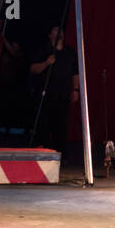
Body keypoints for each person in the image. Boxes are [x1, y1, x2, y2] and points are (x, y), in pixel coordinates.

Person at [28, 25, 79, 153]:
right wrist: (46, 63)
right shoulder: (44, 50)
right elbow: (33, 69)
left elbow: (75, 73)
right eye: (55, 30)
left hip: (63, 94)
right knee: (44, 124)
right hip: (46, 94)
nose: (59, 32)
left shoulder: (70, 52)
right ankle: (42, 152)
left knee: (61, 126)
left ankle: (60, 154)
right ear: (50, 35)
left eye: (61, 30)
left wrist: (76, 89)